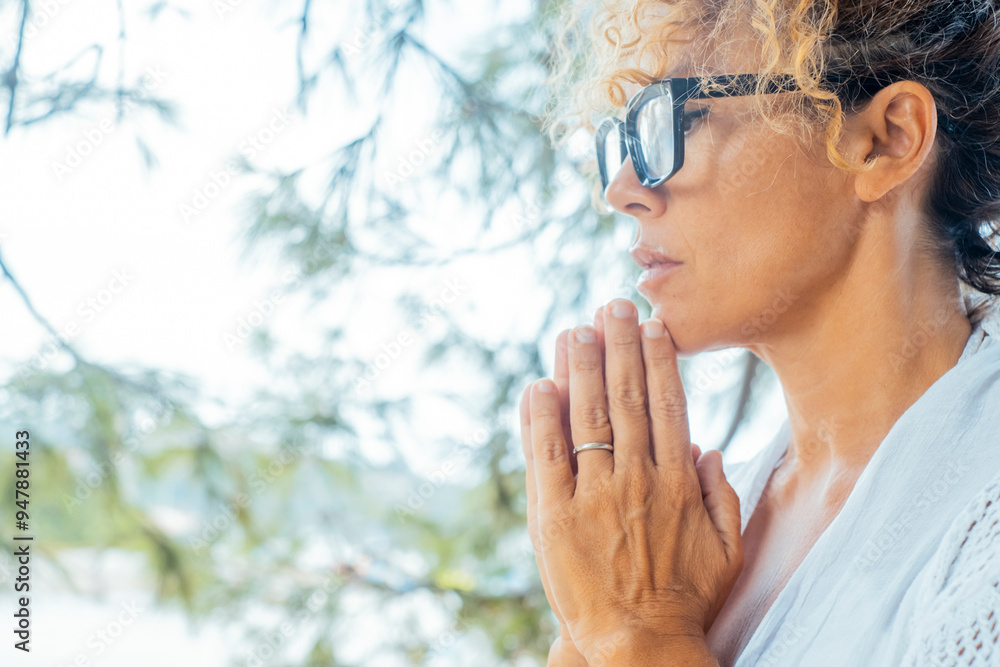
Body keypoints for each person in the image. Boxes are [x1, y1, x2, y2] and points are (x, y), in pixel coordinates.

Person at [519, 0, 1000, 664]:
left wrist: (642, 633)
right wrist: (594, 627)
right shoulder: (676, 538)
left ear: (884, 140)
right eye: (623, 136)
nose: (623, 188)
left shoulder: (983, 519)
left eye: (674, 117)